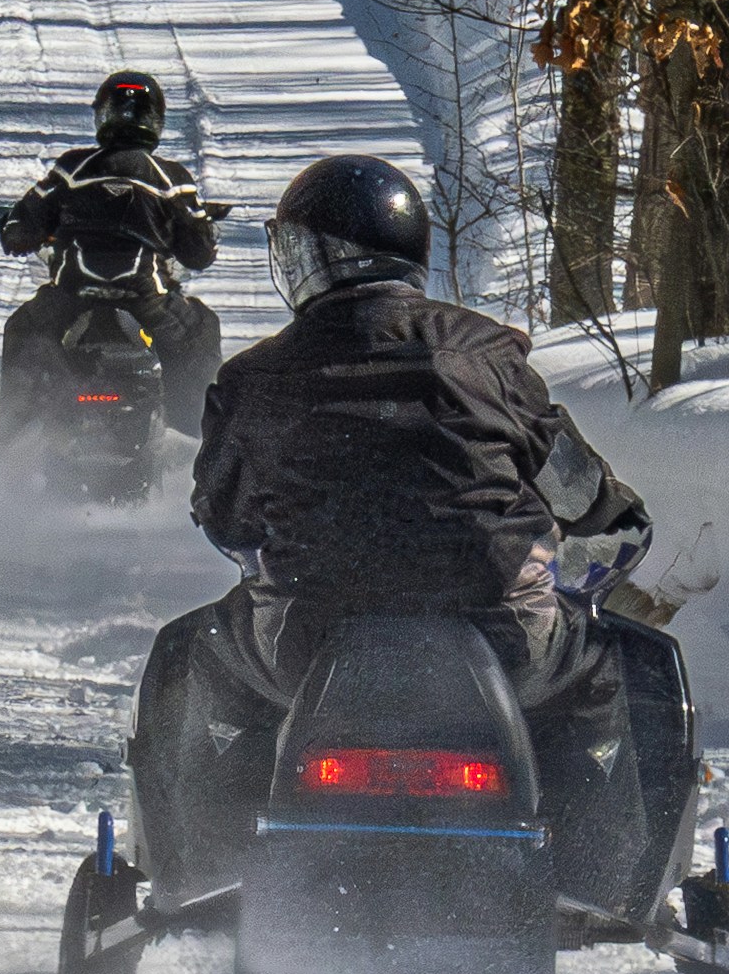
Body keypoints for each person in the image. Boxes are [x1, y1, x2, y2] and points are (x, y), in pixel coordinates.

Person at [187, 152, 650, 719]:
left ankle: (210, 804)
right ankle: (593, 807)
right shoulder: (486, 355)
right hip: (503, 639)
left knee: (201, 647)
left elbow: (225, 519)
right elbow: (570, 482)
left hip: (307, 644)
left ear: (311, 257)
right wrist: (615, 515)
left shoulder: (252, 379)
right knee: (605, 655)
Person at [0, 71, 221, 433]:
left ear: (101, 115)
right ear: (158, 119)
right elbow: (198, 252)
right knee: (202, 328)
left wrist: (13, 229)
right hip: (148, 300)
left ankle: (8, 436)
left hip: (72, 294)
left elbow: (22, 227)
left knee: (23, 329)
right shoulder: (172, 179)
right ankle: (203, 439)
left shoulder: (72, 168)